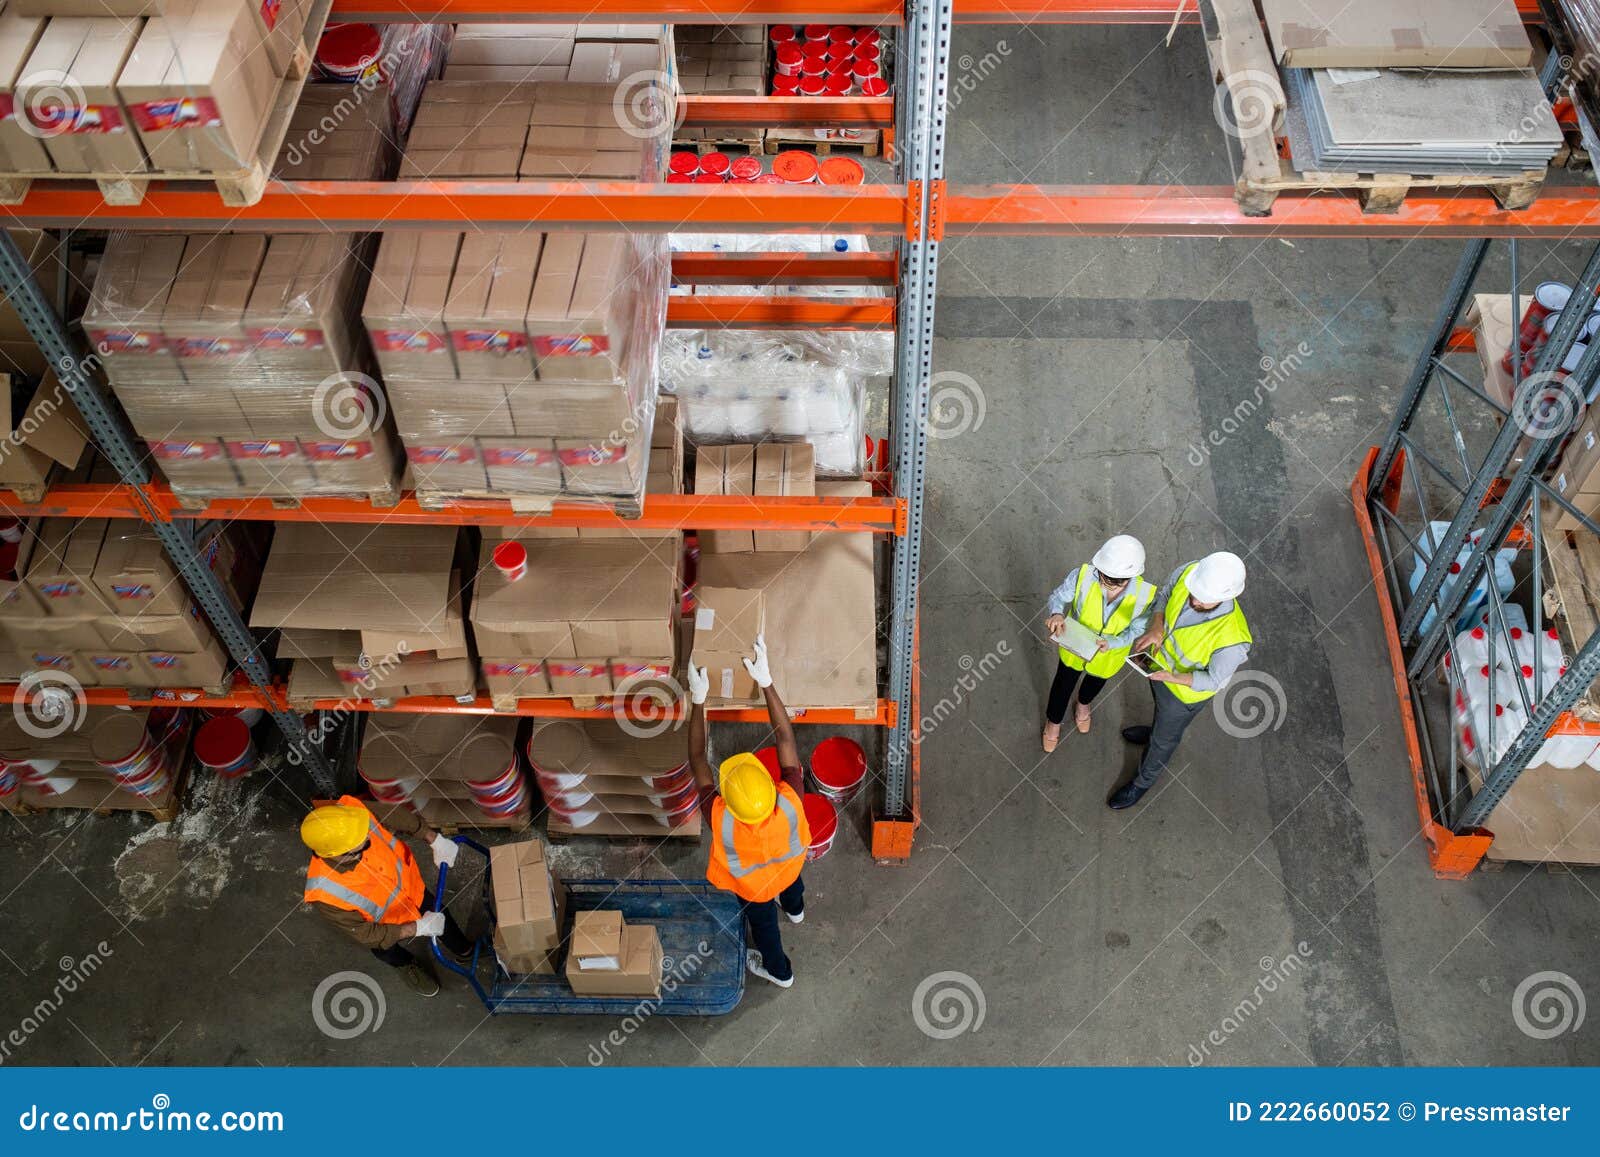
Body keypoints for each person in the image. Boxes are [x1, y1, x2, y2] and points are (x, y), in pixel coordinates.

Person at [687, 635, 811, 989]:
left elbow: (697, 759)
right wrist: (767, 682)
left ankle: (779, 971)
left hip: (755, 890)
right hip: (789, 867)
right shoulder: (790, 799)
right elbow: (785, 739)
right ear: (769, 787)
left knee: (765, 928)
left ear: (728, 799)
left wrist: (698, 701)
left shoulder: (721, 818)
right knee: (791, 887)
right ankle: (796, 908)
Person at [1110, 551, 1254, 811]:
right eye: (1194, 593)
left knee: (1164, 740)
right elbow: (1165, 594)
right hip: (1157, 666)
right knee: (1159, 716)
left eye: (1204, 600)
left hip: (1182, 694)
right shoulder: (1191, 571)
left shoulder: (1232, 639)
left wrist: (1173, 678)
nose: (1194, 600)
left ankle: (1142, 782)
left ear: (1225, 597)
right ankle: (1154, 731)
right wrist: (1157, 625)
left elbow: (1214, 681)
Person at [301, 796, 474, 997]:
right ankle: (407, 965)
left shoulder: (350, 813)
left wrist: (433, 838)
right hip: (382, 925)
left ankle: (465, 951)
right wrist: (415, 928)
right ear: (337, 854)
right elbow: (367, 934)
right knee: (387, 950)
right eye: (362, 844)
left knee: (442, 914)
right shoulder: (325, 893)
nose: (369, 838)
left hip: (412, 891)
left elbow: (395, 815)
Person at [1042, 534, 1157, 752]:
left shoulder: (1146, 595)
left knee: (1094, 684)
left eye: (1117, 582)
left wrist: (1113, 642)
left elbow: (1137, 629)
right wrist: (1057, 613)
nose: (1109, 585)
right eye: (1104, 577)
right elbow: (1058, 597)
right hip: (1074, 645)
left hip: (1109, 654)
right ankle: (1053, 722)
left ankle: (1083, 706)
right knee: (1062, 686)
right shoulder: (1083, 575)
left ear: (1131, 576)